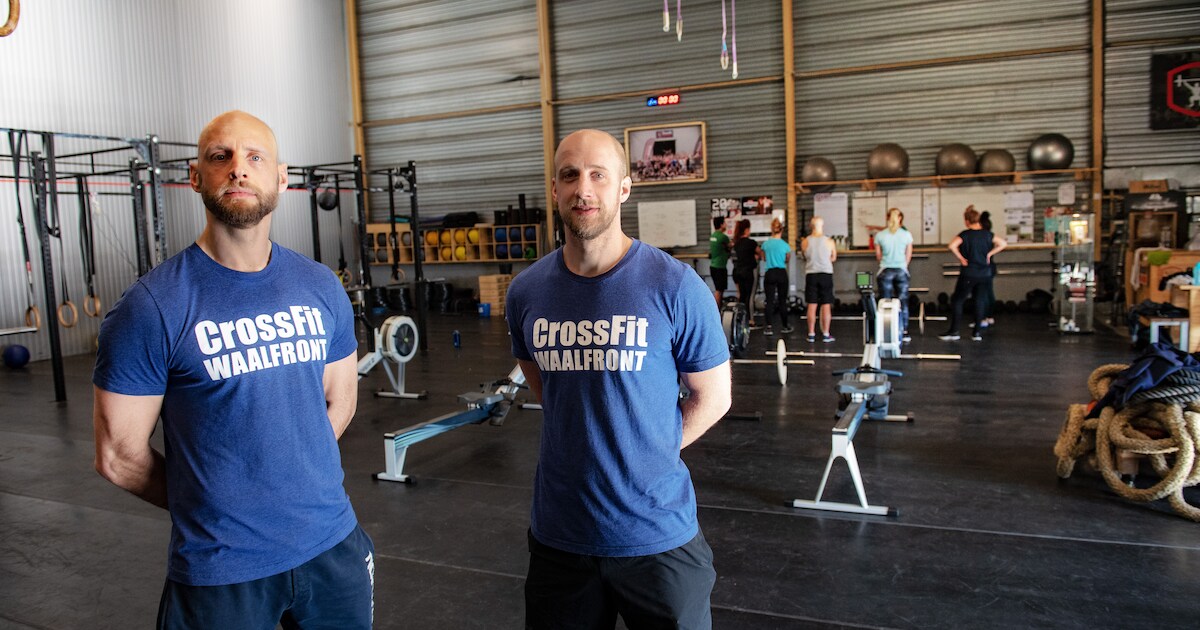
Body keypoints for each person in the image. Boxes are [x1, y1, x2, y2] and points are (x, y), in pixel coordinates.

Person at [92, 111, 374, 628]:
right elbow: (118, 456)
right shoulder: (152, 307)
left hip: (333, 546)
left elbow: (342, 400)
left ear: (281, 178)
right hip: (222, 569)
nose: (238, 168)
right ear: (196, 177)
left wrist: (289, 478)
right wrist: (216, 506)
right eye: (220, 156)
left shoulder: (320, 286)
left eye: (254, 157)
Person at [506, 129, 732, 629]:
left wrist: (649, 448)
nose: (582, 189)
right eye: (570, 175)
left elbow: (713, 397)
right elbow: (545, 386)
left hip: (656, 536)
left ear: (624, 188)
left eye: (598, 175)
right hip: (560, 538)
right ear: (554, 189)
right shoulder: (526, 292)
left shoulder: (675, 285)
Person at [940, 205, 1007, 341]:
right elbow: (1003, 243)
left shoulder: (965, 234)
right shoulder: (987, 234)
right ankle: (977, 333)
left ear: (967, 221)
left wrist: (961, 258)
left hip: (969, 272)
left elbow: (951, 245)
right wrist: (989, 254)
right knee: (979, 301)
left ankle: (954, 331)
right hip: (985, 273)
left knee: (958, 300)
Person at [874, 208, 914, 342]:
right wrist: (903, 265)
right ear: (900, 218)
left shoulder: (880, 235)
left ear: (887, 218)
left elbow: (878, 256)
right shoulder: (906, 235)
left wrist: (887, 262)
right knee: (903, 301)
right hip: (901, 270)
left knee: (885, 302)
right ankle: (905, 332)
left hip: (885, 270)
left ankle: (885, 332)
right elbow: (908, 254)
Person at [801, 216, 837, 343]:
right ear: (822, 226)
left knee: (812, 304)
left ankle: (811, 334)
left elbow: (804, 257)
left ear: (811, 226)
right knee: (826, 304)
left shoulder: (805, 241)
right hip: (826, 274)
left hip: (811, 274)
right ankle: (826, 334)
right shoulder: (829, 241)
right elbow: (833, 258)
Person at [760, 217, 793, 335]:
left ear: (771, 229)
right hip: (781, 273)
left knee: (769, 300)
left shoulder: (765, 244)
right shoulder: (785, 245)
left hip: (770, 273)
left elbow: (763, 258)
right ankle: (785, 326)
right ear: (781, 230)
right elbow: (787, 260)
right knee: (782, 300)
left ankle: (769, 327)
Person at [731, 218, 762, 317]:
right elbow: (761, 254)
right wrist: (756, 256)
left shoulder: (735, 243)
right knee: (750, 295)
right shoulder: (751, 243)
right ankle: (751, 319)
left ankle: (740, 318)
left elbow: (734, 257)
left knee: (742, 296)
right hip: (749, 272)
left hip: (738, 272)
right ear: (746, 230)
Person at [977, 211, 998, 327]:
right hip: (990, 267)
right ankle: (989, 316)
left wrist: (988, 255)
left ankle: (984, 318)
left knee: (983, 294)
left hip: (984, 268)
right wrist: (990, 254)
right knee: (989, 292)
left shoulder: (982, 237)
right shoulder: (990, 236)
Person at [708, 216, 731, 304]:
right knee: (719, 291)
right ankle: (716, 309)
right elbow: (729, 246)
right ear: (721, 225)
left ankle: (718, 308)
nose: (726, 225)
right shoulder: (723, 237)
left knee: (718, 289)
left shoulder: (713, 236)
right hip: (720, 267)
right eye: (724, 223)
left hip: (713, 266)